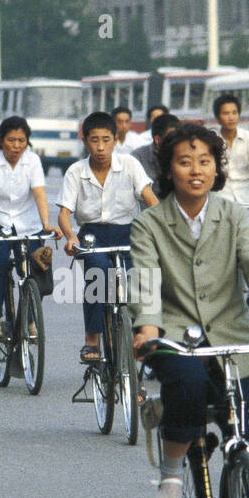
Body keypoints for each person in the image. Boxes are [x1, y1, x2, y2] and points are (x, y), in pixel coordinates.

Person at [130, 122, 249, 498]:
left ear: (216, 168)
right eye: (184, 162)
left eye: (205, 161)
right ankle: (172, 478)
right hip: (176, 336)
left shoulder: (234, 216)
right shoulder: (149, 225)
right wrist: (147, 331)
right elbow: (144, 284)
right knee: (189, 386)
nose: (196, 170)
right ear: (167, 169)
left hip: (235, 340)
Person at [59, 111, 159, 362]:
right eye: (94, 140)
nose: (101, 146)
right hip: (93, 236)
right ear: (85, 141)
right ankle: (92, 341)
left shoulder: (130, 165)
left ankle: (142, 336)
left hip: (128, 233)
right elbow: (64, 213)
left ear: (115, 139)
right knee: (99, 278)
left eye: (106, 139)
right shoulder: (75, 172)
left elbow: (150, 200)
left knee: (143, 281)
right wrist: (71, 236)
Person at [0, 116, 61, 341]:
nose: (16, 146)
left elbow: (40, 193)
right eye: (11, 140)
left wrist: (46, 223)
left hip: (29, 223)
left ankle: (30, 318)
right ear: (1, 141)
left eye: (21, 140)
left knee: (36, 268)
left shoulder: (32, 161)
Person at [212, 93, 249, 210]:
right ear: (218, 118)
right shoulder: (211, 139)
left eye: (234, 113)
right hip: (219, 198)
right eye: (226, 113)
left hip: (247, 199)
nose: (231, 117)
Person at [131, 112, 180, 183]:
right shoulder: (138, 158)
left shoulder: (183, 155)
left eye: (179, 136)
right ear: (158, 140)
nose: (177, 141)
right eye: (171, 137)